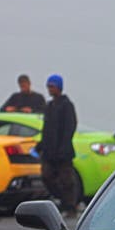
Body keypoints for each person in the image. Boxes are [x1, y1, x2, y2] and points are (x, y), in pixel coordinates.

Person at [37, 74, 79, 217]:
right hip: (49, 153)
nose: (49, 89)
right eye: (48, 86)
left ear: (59, 87)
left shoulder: (67, 105)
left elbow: (70, 127)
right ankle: (61, 201)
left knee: (67, 180)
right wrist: (41, 144)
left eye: (52, 86)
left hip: (63, 152)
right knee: (46, 176)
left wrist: (63, 148)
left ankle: (70, 207)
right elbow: (46, 128)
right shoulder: (49, 106)